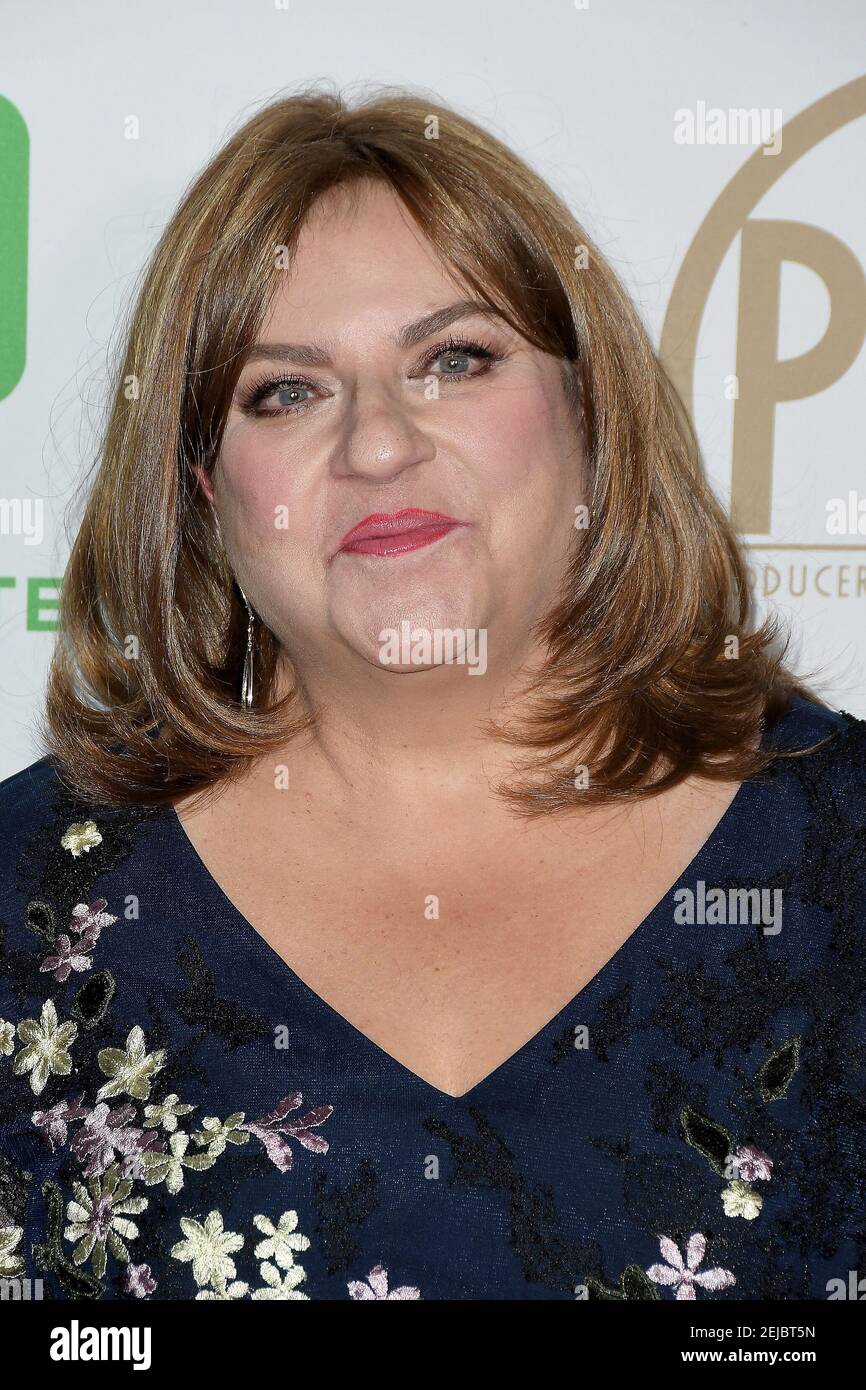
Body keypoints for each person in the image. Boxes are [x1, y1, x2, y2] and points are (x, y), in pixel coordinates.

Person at [1, 84, 864, 1302]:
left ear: (590, 412)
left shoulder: (842, 849)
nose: (376, 444)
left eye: (454, 360)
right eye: (284, 391)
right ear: (203, 484)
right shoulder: (27, 899)